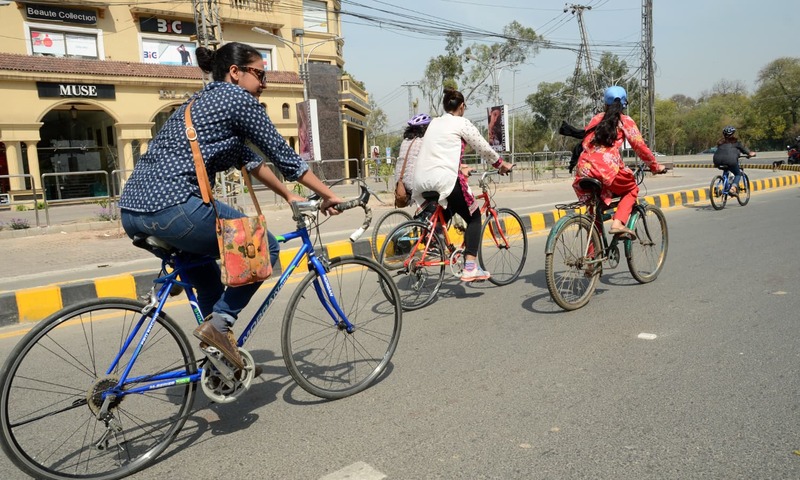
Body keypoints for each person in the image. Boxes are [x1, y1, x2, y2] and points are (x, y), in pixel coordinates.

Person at [119, 42, 344, 370]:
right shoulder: (237, 98)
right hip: (175, 207)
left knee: (206, 277)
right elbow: (285, 158)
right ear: (235, 73)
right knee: (262, 247)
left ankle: (219, 359)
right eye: (260, 75)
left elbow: (252, 161)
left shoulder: (198, 104)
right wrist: (329, 194)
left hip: (133, 211)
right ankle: (220, 325)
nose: (264, 85)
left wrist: (289, 196)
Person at [412, 87, 514, 282]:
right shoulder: (461, 123)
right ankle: (470, 267)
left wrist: (461, 166)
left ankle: (432, 238)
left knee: (450, 207)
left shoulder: (434, 123)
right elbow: (482, 146)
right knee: (474, 217)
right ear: (462, 106)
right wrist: (501, 164)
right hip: (446, 178)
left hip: (422, 180)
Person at [573, 85, 665, 239]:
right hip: (607, 170)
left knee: (593, 215)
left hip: (583, 169)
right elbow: (639, 146)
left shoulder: (596, 119)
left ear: (605, 104)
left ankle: (591, 260)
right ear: (624, 104)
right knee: (631, 189)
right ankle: (618, 223)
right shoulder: (624, 120)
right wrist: (655, 166)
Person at [394, 113, 431, 204]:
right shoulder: (423, 141)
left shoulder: (405, 141)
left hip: (400, 182)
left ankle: (420, 217)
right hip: (413, 183)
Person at [712, 126, 755, 195]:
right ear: (733, 134)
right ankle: (733, 188)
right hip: (730, 161)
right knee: (738, 174)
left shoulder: (720, 143)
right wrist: (751, 154)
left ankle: (724, 185)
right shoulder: (736, 143)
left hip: (717, 160)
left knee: (726, 169)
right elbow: (746, 151)